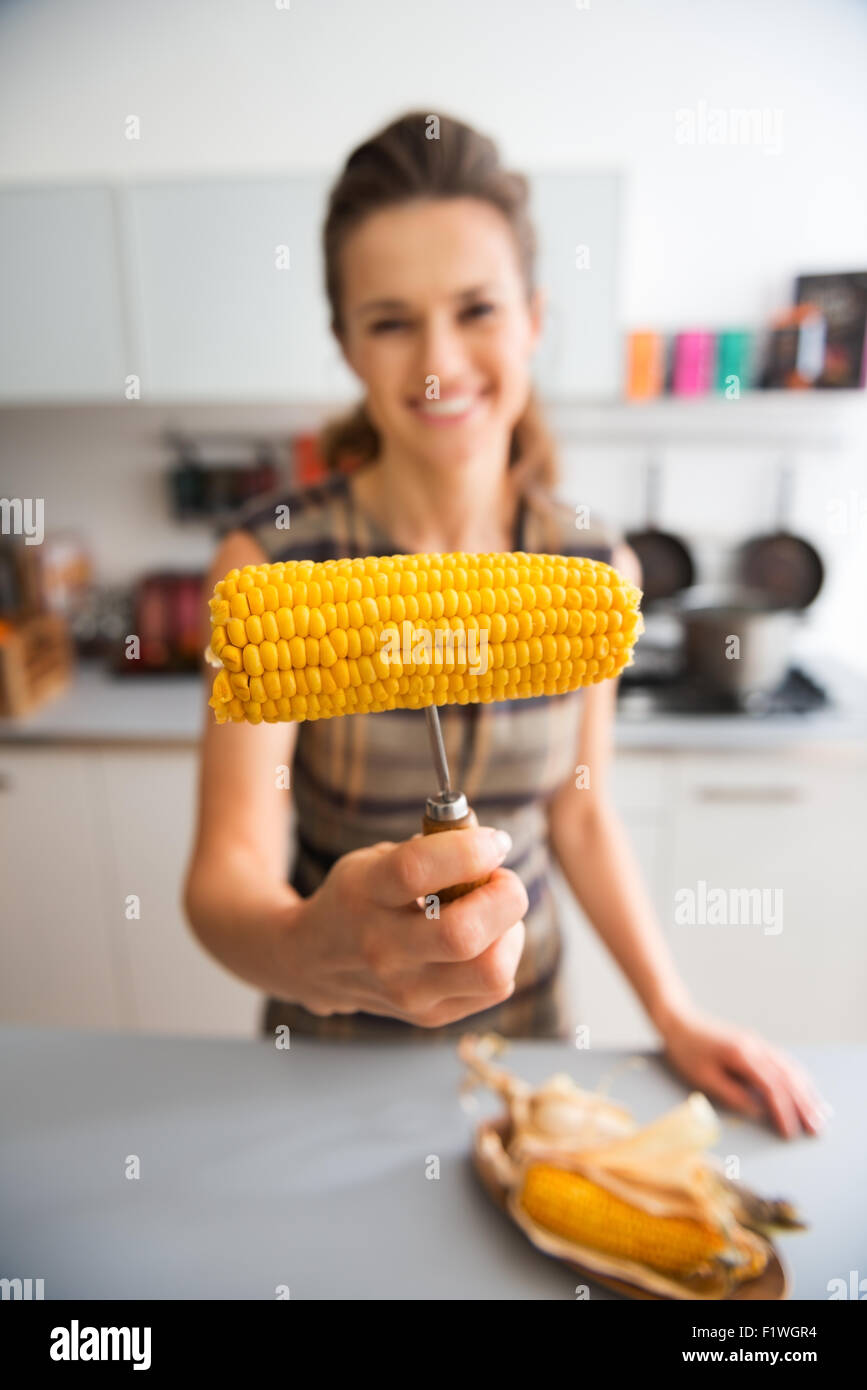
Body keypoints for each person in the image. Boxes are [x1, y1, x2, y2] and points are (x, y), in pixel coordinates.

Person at [184, 110, 829, 1139]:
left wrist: (674, 1008)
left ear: (532, 319)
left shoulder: (592, 564)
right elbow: (224, 876)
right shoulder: (267, 563)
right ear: (347, 343)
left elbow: (579, 813)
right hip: (325, 1043)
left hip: (528, 1041)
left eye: (476, 308)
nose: (438, 363)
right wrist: (313, 947)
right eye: (391, 320)